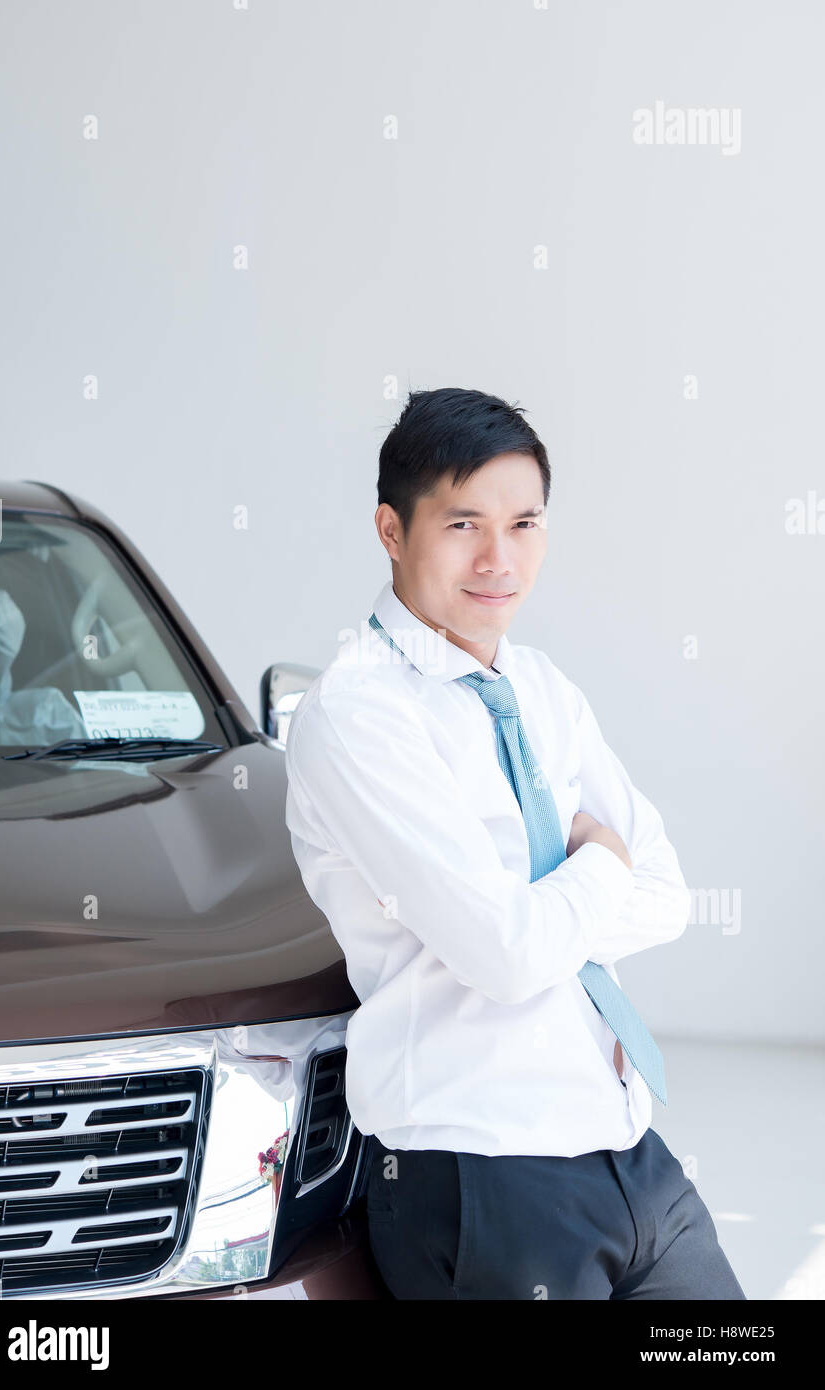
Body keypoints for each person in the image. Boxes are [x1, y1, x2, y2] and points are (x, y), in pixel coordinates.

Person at [283, 386, 746, 1300]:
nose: (499, 558)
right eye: (463, 524)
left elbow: (669, 896)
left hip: (626, 1149)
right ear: (390, 529)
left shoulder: (539, 686)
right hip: (484, 1168)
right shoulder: (358, 714)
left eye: (524, 522)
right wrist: (600, 858)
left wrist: (556, 901)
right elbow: (504, 953)